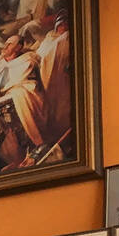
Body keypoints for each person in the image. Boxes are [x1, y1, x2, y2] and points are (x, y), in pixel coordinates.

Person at [0, 34, 47, 170]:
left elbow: (25, 89)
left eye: (10, 44)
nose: (5, 46)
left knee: (28, 144)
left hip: (18, 109)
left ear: (19, 47)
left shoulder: (27, 62)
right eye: (6, 43)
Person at [37, 12, 71, 144]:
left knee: (62, 106)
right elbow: (40, 54)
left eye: (65, 24)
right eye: (61, 25)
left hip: (60, 76)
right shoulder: (49, 37)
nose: (63, 27)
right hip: (46, 76)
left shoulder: (66, 37)